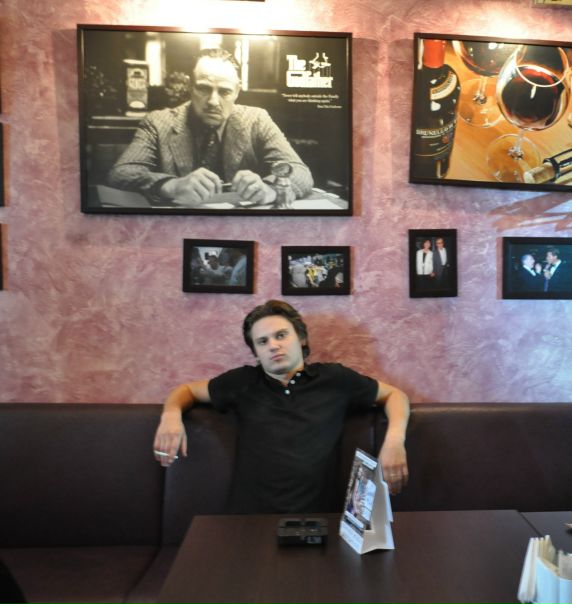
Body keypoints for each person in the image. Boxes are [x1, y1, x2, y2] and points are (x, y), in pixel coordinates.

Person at [153, 300, 409, 514]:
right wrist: (171, 416)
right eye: (262, 342)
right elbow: (186, 391)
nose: (273, 346)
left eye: (281, 335)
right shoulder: (242, 382)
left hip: (319, 520)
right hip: (247, 521)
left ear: (301, 338)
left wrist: (394, 442)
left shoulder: (335, 379)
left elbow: (394, 396)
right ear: (256, 352)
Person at [108, 48, 313, 207]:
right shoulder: (158, 122)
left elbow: (300, 172)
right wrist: (172, 186)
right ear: (190, 87)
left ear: (237, 92)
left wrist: (270, 189)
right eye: (204, 88)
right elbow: (121, 173)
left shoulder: (256, 120)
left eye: (224, 91)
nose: (213, 101)